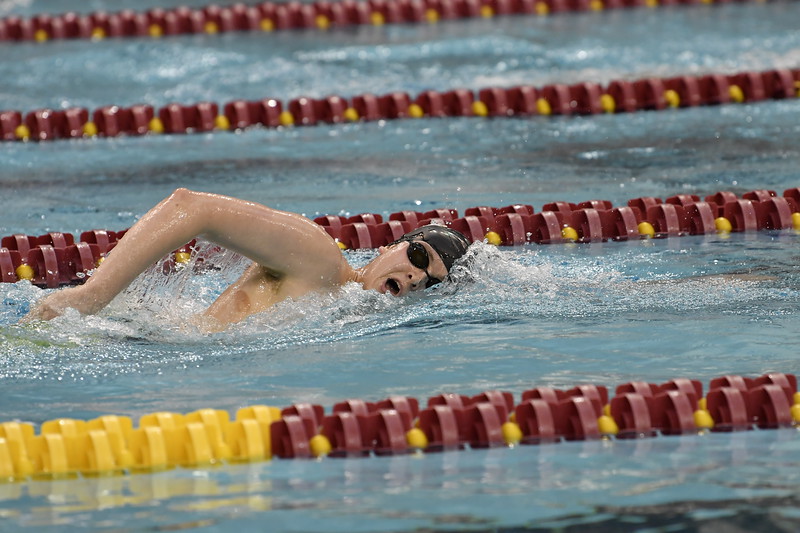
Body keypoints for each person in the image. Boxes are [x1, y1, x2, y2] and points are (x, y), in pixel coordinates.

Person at [23, 188, 471, 331]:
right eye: (417, 255)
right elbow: (191, 207)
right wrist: (93, 294)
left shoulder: (347, 312)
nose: (414, 277)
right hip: (114, 341)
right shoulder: (319, 259)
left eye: (429, 281)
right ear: (389, 246)